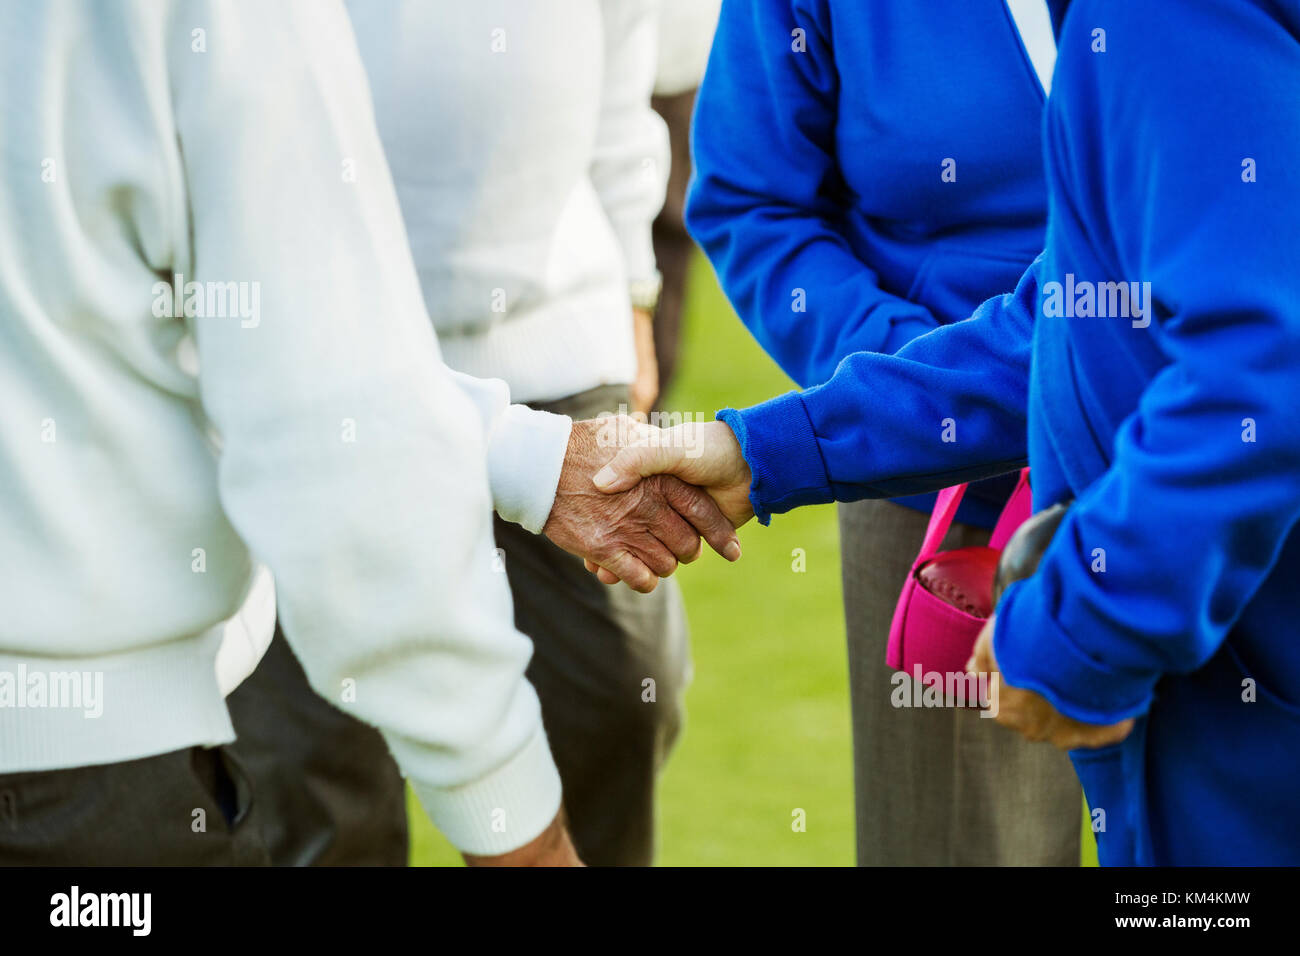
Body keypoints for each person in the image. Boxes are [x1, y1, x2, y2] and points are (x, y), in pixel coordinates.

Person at [0, 0, 737, 866]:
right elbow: (306, 386)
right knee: (322, 787)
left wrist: (530, 442)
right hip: (86, 783)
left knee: (616, 691)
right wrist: (516, 831)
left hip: (82, 751)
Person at [593, 0, 1300, 865]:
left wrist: (1087, 633)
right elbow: (1069, 316)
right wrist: (771, 449)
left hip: (1214, 579)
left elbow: (1259, 370)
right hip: (969, 495)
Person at [684, 0, 1079, 864]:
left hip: (1198, 453)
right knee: (964, 847)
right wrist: (919, 387)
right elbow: (752, 199)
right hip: (940, 487)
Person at [333, 0, 698, 867]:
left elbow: (620, 78)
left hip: (561, 337)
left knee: (619, 692)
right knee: (320, 761)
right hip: (330, 350)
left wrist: (635, 289)